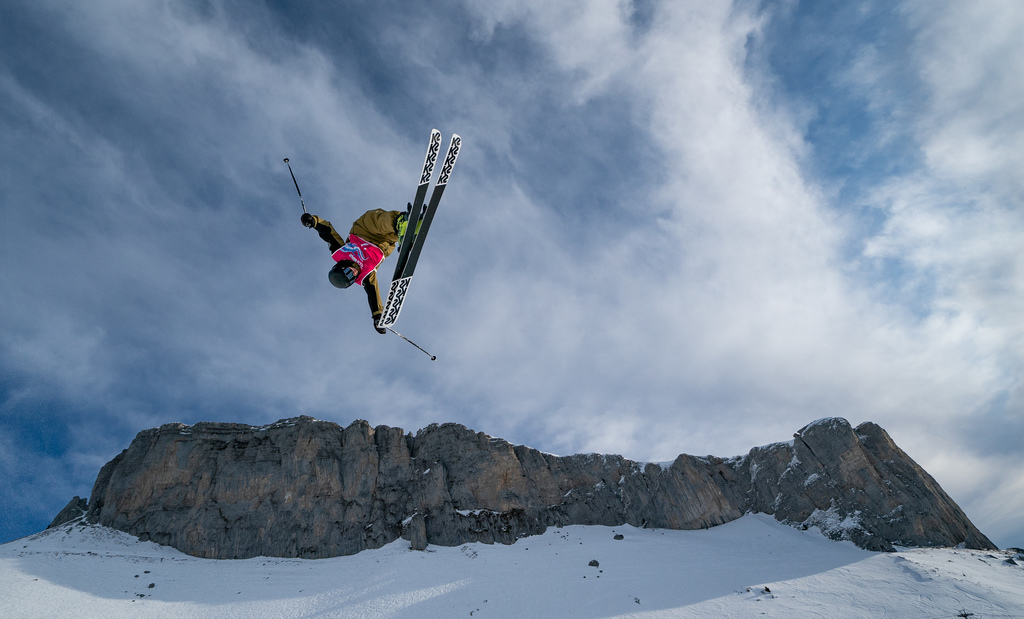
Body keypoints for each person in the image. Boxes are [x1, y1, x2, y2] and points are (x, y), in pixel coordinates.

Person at [301, 208, 409, 333]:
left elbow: (328, 232)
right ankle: (408, 227)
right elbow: (373, 294)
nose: (354, 274)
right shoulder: (365, 277)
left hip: (365, 230)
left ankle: (399, 221)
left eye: (348, 272)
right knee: (392, 234)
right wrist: (377, 316)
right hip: (383, 243)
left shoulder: (339, 253)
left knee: (378, 222)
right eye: (352, 278)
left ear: (342, 267)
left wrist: (313, 221)